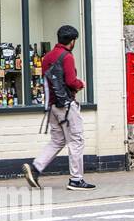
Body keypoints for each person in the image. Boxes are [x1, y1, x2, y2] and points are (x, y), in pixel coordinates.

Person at [22, 24, 94, 191]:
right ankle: (76, 179)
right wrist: (80, 83)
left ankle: (35, 168)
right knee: (76, 140)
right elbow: (70, 81)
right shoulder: (67, 56)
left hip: (52, 105)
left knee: (57, 140)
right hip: (66, 105)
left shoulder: (47, 57)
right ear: (72, 41)